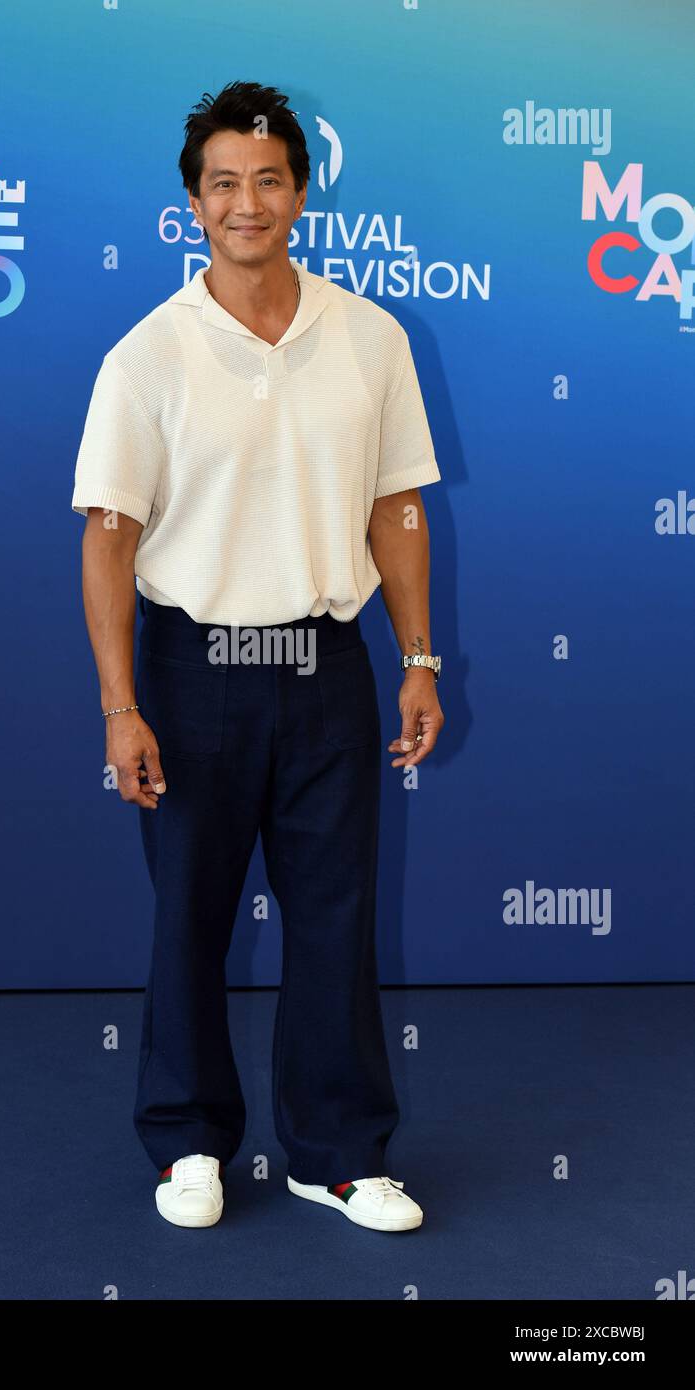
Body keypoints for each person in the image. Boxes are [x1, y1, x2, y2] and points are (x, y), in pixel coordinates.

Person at [71, 80, 444, 1233]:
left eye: (268, 179)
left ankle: (334, 1153)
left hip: (327, 670)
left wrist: (418, 656)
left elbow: (396, 508)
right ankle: (187, 1140)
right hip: (189, 678)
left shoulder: (371, 336)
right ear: (193, 203)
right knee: (187, 912)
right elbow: (108, 536)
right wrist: (117, 707)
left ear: (299, 194)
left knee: (334, 917)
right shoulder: (146, 355)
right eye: (223, 182)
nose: (247, 201)